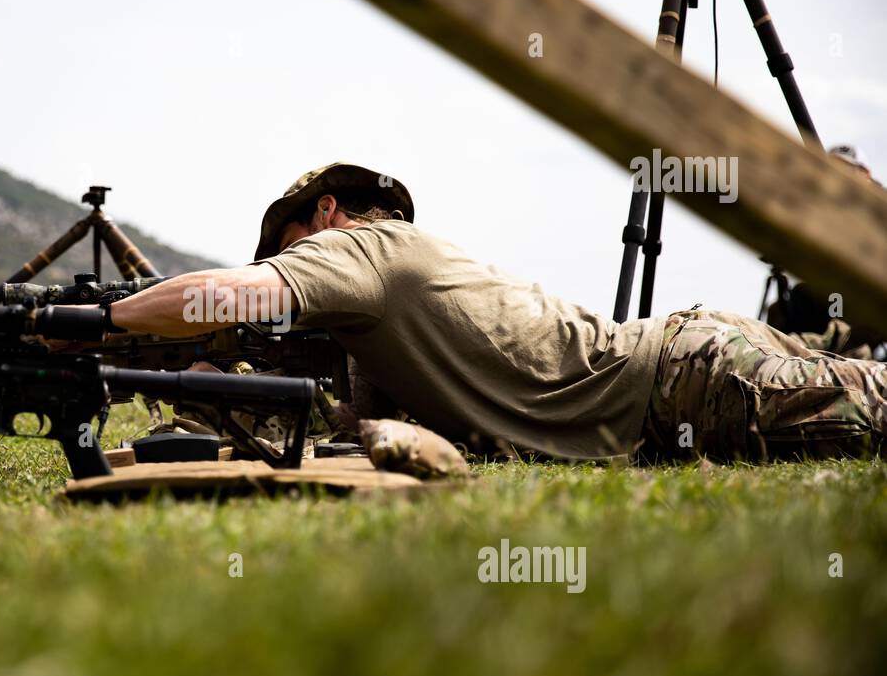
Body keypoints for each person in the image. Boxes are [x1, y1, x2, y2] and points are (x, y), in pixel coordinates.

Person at [98, 163, 887, 462]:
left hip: (680, 383)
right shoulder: (395, 299)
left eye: (287, 246)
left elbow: (231, 293)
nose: (287, 266)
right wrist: (207, 384)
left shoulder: (360, 251)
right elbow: (349, 435)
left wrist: (109, 323)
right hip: (688, 354)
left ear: (328, 214)